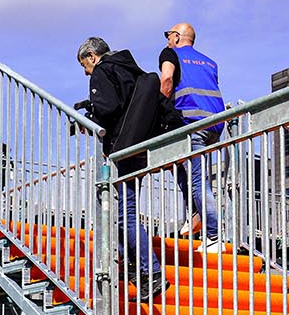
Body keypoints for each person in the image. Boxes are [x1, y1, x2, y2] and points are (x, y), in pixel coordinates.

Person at [77, 36, 171, 301]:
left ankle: (150, 272)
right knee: (121, 212)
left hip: (122, 147)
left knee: (123, 215)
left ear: (92, 56)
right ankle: (132, 266)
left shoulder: (103, 71)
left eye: (84, 65)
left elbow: (108, 108)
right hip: (141, 148)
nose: (86, 72)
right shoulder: (134, 71)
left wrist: (90, 119)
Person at [158, 23, 224, 252]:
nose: (166, 40)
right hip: (215, 125)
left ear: (176, 37)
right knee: (179, 167)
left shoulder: (171, 54)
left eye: (168, 35)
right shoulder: (209, 62)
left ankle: (214, 236)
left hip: (192, 122)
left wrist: (155, 108)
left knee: (198, 181)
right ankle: (194, 213)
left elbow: (166, 81)